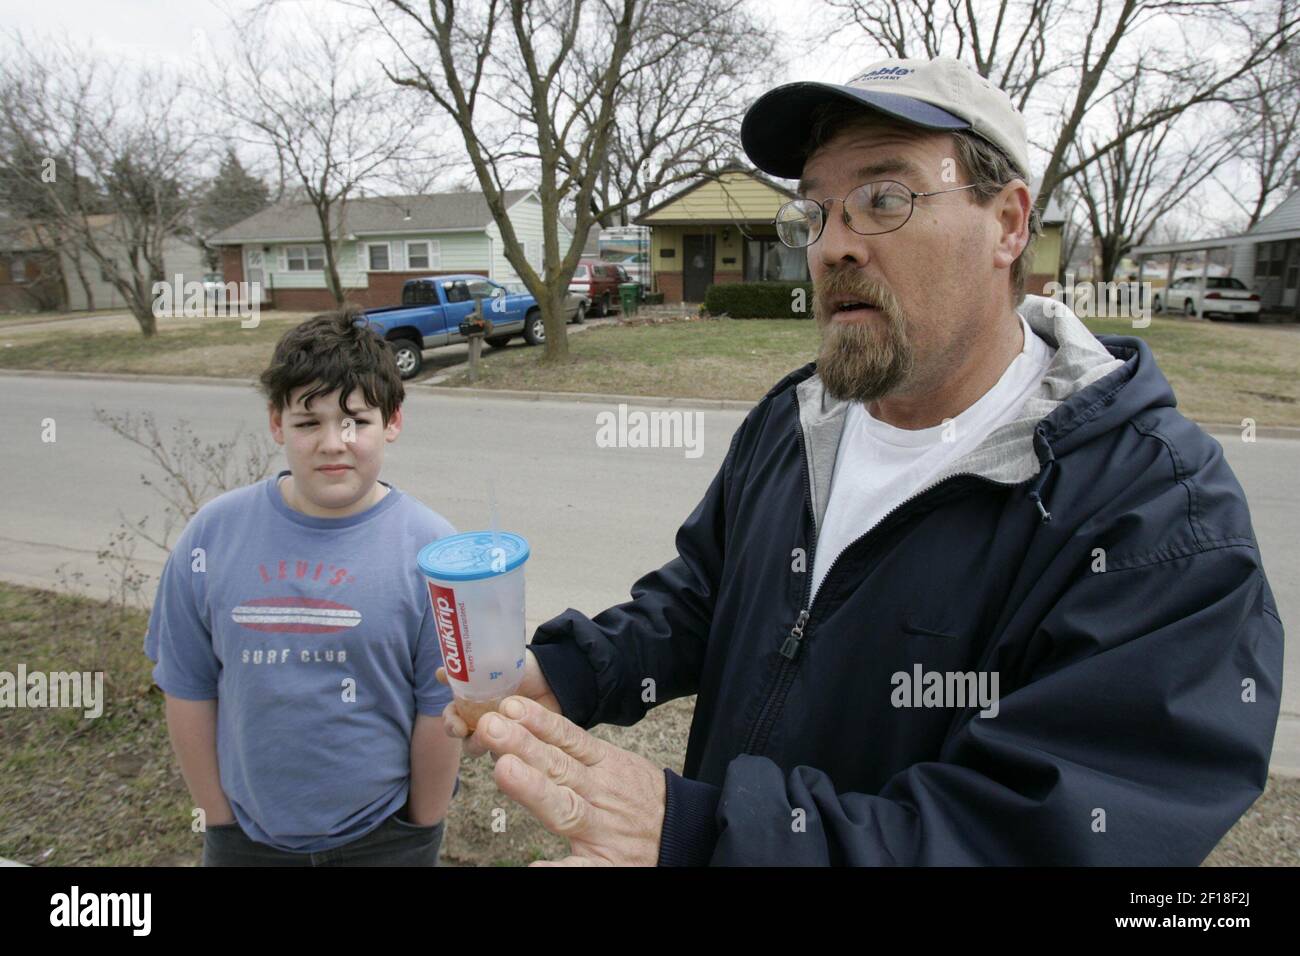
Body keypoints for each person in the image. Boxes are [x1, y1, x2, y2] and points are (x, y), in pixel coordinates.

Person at [442, 57, 1284, 866]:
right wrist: (571, 670)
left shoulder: (1160, 516)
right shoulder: (798, 418)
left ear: (1010, 222)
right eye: (816, 213)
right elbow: (709, 593)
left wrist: (708, 839)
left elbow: (1038, 836)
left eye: (884, 198)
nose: (834, 245)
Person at [145, 309, 461, 866]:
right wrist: (218, 819)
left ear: (392, 421)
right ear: (276, 423)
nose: (332, 444)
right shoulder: (212, 535)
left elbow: (439, 709)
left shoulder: (433, 551)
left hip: (385, 838)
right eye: (308, 422)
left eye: (356, 421)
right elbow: (188, 687)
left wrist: (420, 827)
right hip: (244, 836)